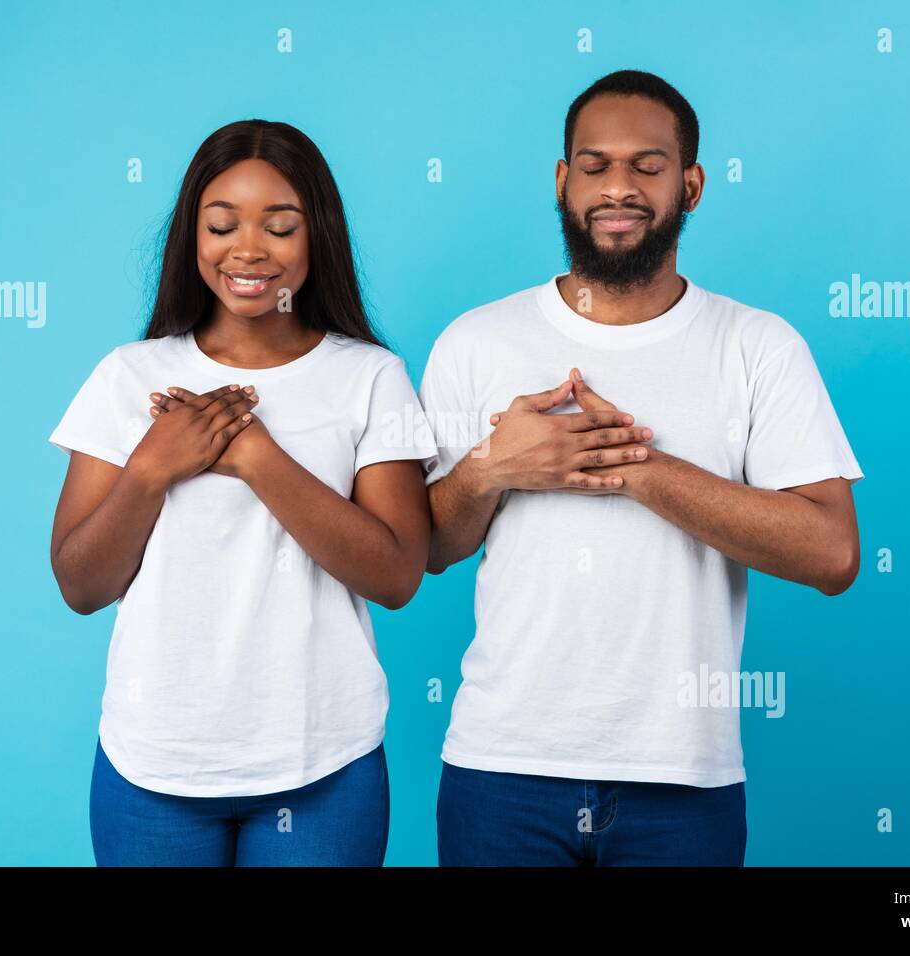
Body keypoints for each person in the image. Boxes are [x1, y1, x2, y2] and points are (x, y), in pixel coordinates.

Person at [419, 70, 864, 866]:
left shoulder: (758, 346)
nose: (617, 187)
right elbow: (425, 549)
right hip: (502, 766)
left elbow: (832, 555)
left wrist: (639, 469)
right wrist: (491, 468)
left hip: (682, 777)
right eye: (593, 166)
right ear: (562, 181)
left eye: (647, 166)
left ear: (690, 185)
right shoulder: (475, 341)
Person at [48, 119, 436, 866]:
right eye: (222, 224)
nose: (248, 250)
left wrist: (258, 458)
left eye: (279, 226)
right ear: (193, 237)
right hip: (152, 764)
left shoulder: (370, 377)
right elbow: (80, 584)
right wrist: (152, 468)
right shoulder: (128, 377)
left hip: (325, 760)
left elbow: (395, 576)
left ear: (315, 235)